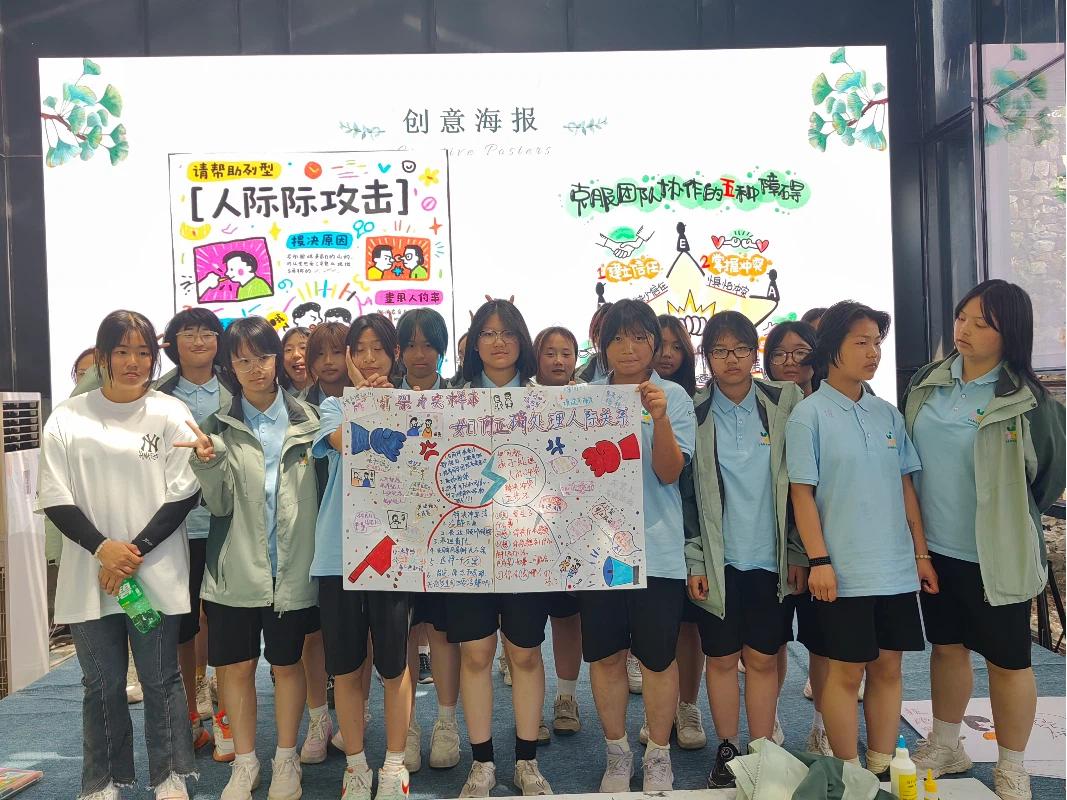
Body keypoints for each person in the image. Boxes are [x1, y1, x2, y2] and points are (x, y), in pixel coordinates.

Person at [903, 280, 1065, 800]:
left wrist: (1006, 514)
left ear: (1009, 333)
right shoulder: (928, 382)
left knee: (1008, 661)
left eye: (982, 323)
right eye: (962, 317)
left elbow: (1048, 477)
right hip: (935, 549)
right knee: (946, 648)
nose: (965, 329)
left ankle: (1013, 765)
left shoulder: (1028, 400)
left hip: (997, 555)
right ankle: (947, 743)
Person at [39, 310, 201, 800]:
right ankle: (102, 780)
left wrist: (130, 554)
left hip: (153, 572)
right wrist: (102, 549)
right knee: (101, 682)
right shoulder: (67, 417)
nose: (134, 362)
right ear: (103, 356)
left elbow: (184, 492)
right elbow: (55, 495)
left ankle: (170, 775)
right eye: (123, 351)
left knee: (160, 677)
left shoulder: (170, 412)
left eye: (143, 352)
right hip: (91, 574)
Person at [786, 300, 938, 774]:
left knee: (889, 668)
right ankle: (849, 769)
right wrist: (819, 561)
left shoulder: (886, 414)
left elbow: (905, 487)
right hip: (842, 571)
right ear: (832, 347)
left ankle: (880, 764)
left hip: (894, 568)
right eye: (861, 342)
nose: (873, 352)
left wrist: (921, 555)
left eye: (876, 343)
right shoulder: (808, 415)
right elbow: (801, 495)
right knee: (845, 671)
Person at [181, 317, 322, 800]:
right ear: (230, 366)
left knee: (287, 664)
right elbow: (219, 506)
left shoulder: (309, 421)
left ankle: (285, 759)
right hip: (235, 573)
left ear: (277, 359)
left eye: (262, 357)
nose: (255, 368)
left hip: (293, 570)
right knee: (235, 669)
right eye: (243, 360)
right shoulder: (216, 428)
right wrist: (208, 463)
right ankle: (245, 763)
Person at [684, 312, 806, 787]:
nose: (730, 359)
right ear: (707, 358)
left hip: (771, 560)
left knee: (762, 658)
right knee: (719, 659)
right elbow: (686, 496)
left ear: (754, 353)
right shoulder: (695, 411)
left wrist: (798, 551)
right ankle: (728, 749)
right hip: (718, 561)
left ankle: (762, 750)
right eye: (719, 350)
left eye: (739, 349)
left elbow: (802, 485)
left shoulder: (783, 402)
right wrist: (696, 559)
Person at [581, 299, 696, 793]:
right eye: (617, 338)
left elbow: (669, 473)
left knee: (657, 658)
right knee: (606, 657)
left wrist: (660, 418)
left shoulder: (674, 396)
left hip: (657, 553)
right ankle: (616, 754)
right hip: (596, 552)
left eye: (639, 337)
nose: (628, 348)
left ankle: (658, 755)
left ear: (655, 342)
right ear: (603, 345)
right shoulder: (583, 398)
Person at [450, 299, 552, 797]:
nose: (497, 342)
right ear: (474, 343)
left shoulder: (548, 402)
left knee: (526, 654)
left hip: (527, 549)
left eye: (507, 333)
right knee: (475, 655)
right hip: (465, 551)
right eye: (487, 333)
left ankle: (527, 761)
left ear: (521, 341)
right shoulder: (450, 402)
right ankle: (483, 762)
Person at [311, 313, 415, 800]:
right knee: (346, 668)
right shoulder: (334, 407)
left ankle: (394, 763)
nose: (370, 359)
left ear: (394, 354)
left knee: (394, 665)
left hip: (394, 553)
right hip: (338, 555)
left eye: (379, 348)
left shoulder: (413, 404)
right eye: (360, 349)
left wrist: (387, 403)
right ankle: (355, 764)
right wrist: (367, 402)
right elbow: (343, 441)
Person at [762, 320, 843, 754]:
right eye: (779, 353)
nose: (789, 361)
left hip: (825, 550)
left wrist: (809, 552)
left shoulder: (830, 409)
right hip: (770, 550)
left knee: (822, 643)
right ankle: (769, 722)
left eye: (799, 351)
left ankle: (821, 728)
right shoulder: (756, 408)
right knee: (770, 642)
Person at [159, 309, 231, 758]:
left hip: (228, 524)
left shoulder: (236, 388)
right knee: (182, 624)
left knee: (225, 623)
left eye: (208, 332)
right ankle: (190, 715)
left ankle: (227, 719)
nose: (200, 340)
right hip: (176, 528)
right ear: (172, 343)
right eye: (189, 332)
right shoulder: (157, 395)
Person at [395, 307, 463, 772]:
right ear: (399, 351)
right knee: (402, 633)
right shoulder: (381, 400)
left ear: (441, 349)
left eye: (429, 344)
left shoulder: (462, 399)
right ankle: (408, 727)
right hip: (394, 538)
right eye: (411, 345)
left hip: (451, 541)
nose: (420, 354)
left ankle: (445, 722)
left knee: (442, 631)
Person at [294, 322, 352, 766]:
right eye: (320, 354)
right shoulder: (294, 409)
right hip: (303, 529)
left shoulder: (372, 399)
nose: (329, 362)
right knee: (311, 632)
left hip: (351, 532)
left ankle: (355, 714)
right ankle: (319, 719)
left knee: (357, 636)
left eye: (338, 351)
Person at [650, 314, 706, 752]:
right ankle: (658, 715)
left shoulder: (696, 400)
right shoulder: (622, 396)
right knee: (655, 637)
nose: (667, 355)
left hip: (696, 526)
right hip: (658, 531)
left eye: (675, 346)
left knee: (690, 627)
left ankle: (687, 705)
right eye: (660, 345)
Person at [532, 326, 583, 736]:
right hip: (525, 535)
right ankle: (529, 708)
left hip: (573, 534)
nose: (558, 360)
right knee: (527, 628)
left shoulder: (592, 400)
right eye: (550, 352)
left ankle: (566, 697)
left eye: (566, 352)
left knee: (567, 621)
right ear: (537, 357)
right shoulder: (517, 398)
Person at [575, 302, 613, 385]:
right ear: (595, 336)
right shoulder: (579, 376)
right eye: (601, 331)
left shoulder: (641, 370)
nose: (609, 338)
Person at [280, 327, 312, 395]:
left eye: (303, 347)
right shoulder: (278, 396)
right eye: (288, 350)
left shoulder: (332, 391)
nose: (296, 355)